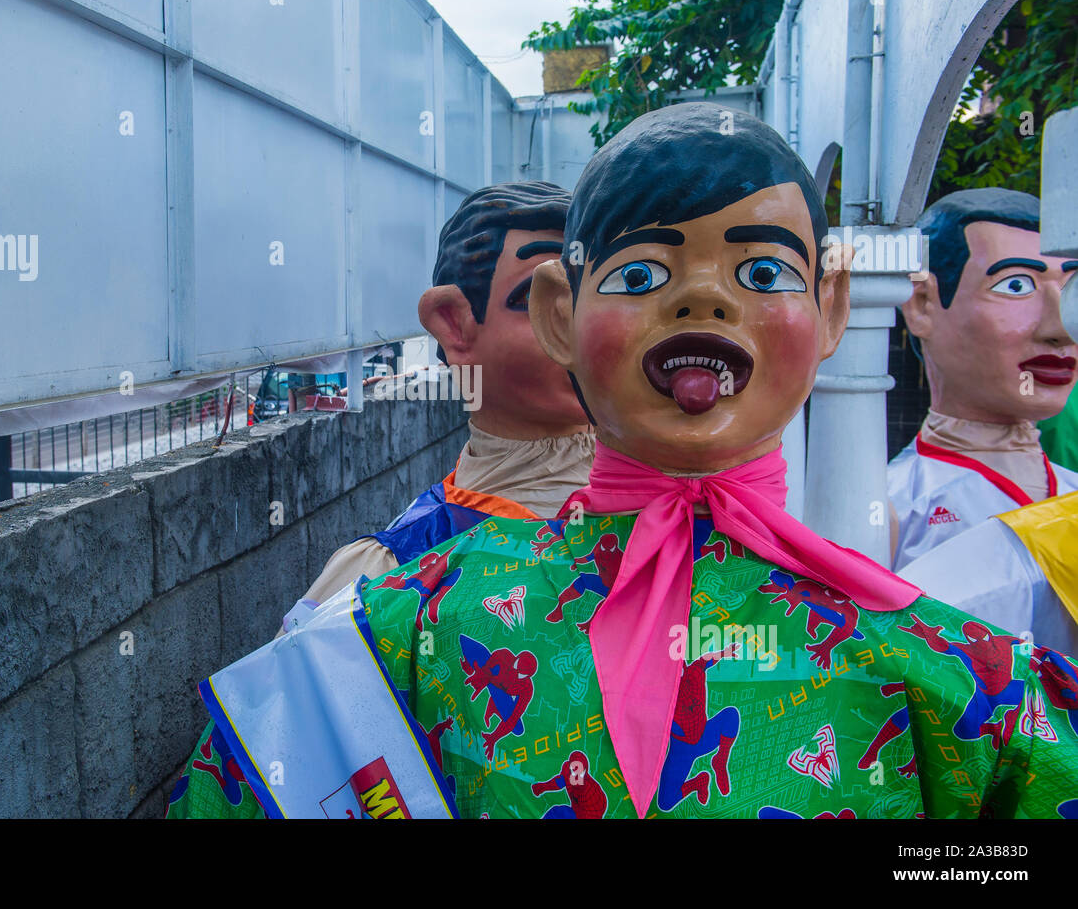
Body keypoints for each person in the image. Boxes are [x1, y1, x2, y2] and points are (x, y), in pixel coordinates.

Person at [168, 104, 1078, 820]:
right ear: (563, 313)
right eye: (641, 274)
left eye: (762, 274)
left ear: (831, 310)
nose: (703, 298)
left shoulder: (954, 670)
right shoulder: (408, 626)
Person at [277, 182, 593, 633]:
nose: (582, 325)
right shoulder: (393, 575)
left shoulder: (695, 505)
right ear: (453, 324)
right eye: (532, 299)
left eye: (595, 292)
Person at [888, 189, 1078, 571]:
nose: (1062, 329)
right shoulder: (892, 508)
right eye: (1016, 285)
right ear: (922, 305)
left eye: (1073, 290)